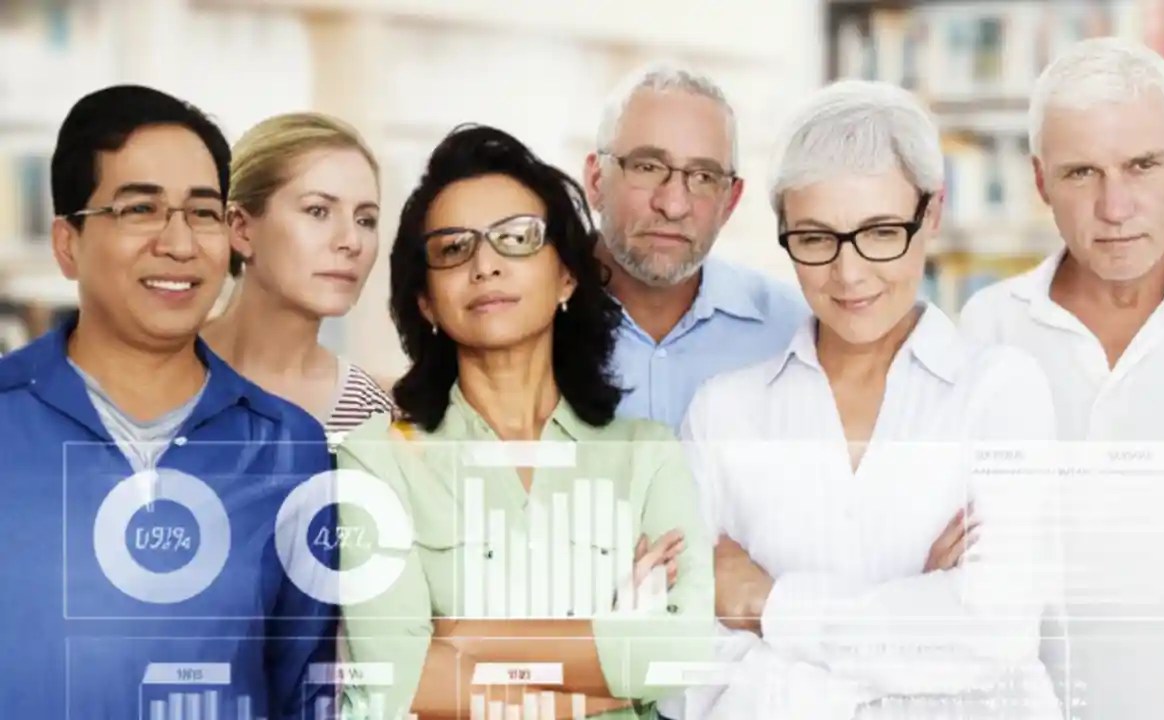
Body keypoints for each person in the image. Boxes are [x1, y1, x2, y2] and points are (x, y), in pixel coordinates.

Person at [681, 80, 1063, 719]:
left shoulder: (1000, 391)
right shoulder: (724, 413)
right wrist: (916, 625)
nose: (849, 273)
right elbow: (684, 666)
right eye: (814, 238)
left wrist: (766, 606)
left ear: (932, 214)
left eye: (881, 232)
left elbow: (995, 630)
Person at [335, 125, 715, 719]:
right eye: (453, 248)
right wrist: (604, 683)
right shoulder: (375, 459)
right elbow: (395, 685)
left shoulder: (647, 453)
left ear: (566, 275)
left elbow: (681, 652)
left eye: (516, 238)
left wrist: (464, 638)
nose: (485, 265)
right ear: (426, 301)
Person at [959, 37, 1164, 719]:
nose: (1115, 206)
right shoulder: (985, 328)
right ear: (1040, 180)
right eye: (1081, 174)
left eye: (1142, 165)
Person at [0, 86, 336, 717]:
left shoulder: (290, 446)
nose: (180, 243)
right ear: (68, 242)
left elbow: (305, 691)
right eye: (140, 209)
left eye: (203, 213)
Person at [583, 62, 808, 429]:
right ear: (595, 181)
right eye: (647, 167)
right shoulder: (526, 319)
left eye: (703, 177)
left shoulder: (794, 334)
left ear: (730, 202)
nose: (673, 206)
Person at [202, 112, 393, 444]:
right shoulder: (155, 374)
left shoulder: (370, 413)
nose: (352, 241)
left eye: (365, 219)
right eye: (318, 211)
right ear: (240, 228)